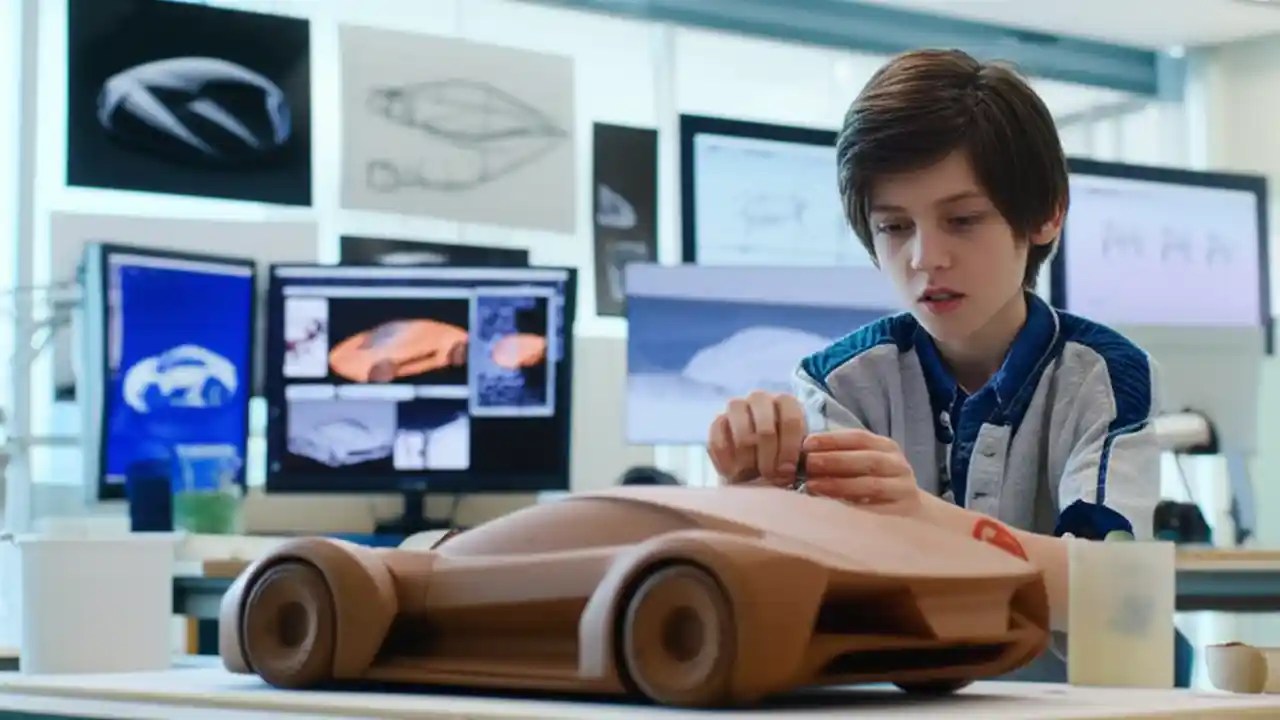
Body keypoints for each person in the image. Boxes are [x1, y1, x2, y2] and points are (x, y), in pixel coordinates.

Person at [706, 48, 1161, 636]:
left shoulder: (1104, 375)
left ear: (1047, 215)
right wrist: (749, 505)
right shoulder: (836, 383)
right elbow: (816, 599)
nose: (925, 258)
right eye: (894, 227)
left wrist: (916, 516)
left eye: (963, 219)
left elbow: (1117, 591)